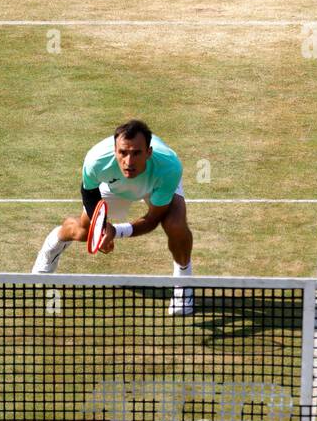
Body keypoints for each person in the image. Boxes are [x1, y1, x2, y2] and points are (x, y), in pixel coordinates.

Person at [31, 119, 196, 316]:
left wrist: (115, 232)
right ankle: (54, 244)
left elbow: (153, 220)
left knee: (175, 225)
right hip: (113, 186)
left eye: (136, 153)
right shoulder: (96, 160)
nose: (129, 161)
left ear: (149, 152)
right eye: (123, 153)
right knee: (84, 231)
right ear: (114, 150)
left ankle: (184, 280)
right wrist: (101, 229)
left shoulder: (169, 167)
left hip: (155, 183)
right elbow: (90, 193)